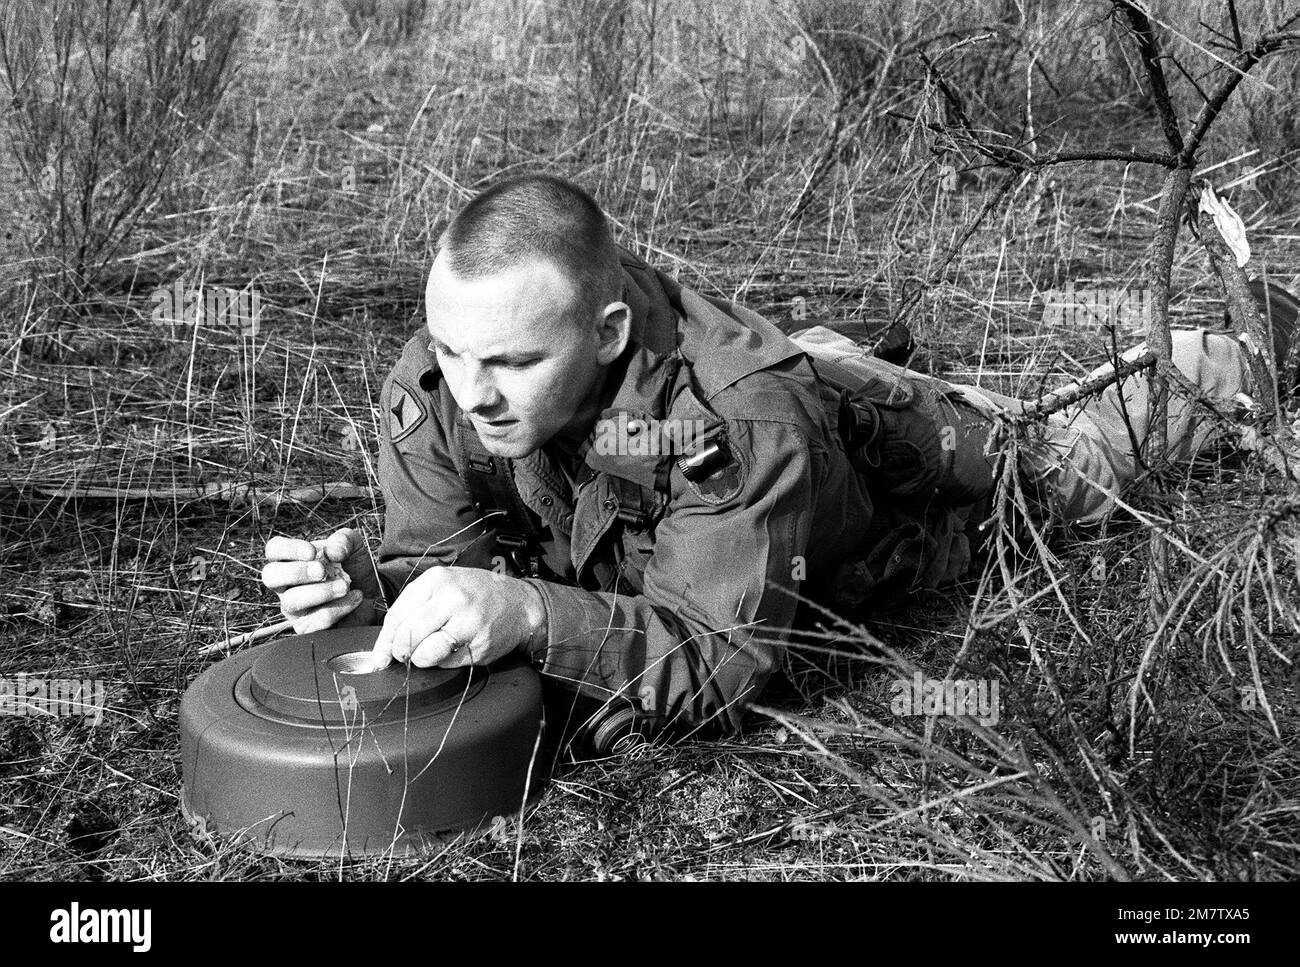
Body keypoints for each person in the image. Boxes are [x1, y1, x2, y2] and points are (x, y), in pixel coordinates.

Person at [261, 173, 1300, 747]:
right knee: (807, 380)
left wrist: (532, 615)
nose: (471, 388)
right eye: (450, 347)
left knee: (1059, 465)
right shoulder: (452, 366)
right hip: (775, 411)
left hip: (896, 485)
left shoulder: (740, 423)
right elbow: (454, 551)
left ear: (610, 333)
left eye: (513, 361)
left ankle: (1240, 350)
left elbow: (718, 664)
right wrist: (379, 588)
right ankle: (833, 366)